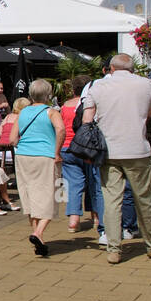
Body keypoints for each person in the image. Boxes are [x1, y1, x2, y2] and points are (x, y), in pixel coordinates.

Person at [81, 54, 151, 264]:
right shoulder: (146, 85)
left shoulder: (97, 87)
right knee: (144, 199)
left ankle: (114, 248)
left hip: (108, 151)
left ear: (111, 69)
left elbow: (87, 119)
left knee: (111, 201)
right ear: (132, 69)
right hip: (137, 149)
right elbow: (150, 112)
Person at [11, 79, 65, 256]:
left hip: (24, 156)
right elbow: (61, 130)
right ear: (48, 95)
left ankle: (38, 239)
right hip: (45, 156)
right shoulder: (51, 112)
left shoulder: (23, 112)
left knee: (29, 195)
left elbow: (12, 139)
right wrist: (57, 152)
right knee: (51, 194)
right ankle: (38, 232)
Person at [60, 76, 102, 234]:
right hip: (87, 149)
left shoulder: (65, 106)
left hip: (67, 148)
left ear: (73, 89)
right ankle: (97, 218)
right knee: (93, 183)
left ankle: (73, 220)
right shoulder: (89, 104)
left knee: (73, 185)